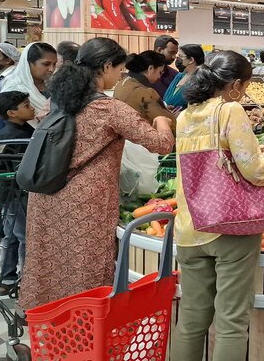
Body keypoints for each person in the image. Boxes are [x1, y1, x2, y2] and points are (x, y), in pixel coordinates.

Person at [20, 38, 174, 311]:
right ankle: (84, 322)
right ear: (106, 66)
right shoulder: (108, 108)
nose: (121, 75)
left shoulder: (57, 100)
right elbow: (161, 144)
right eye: (120, 69)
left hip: (47, 193)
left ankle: (48, 322)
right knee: (85, 265)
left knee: (48, 263)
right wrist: (162, 120)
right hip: (87, 202)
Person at [169, 51, 264, 361]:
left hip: (190, 227)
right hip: (229, 228)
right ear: (235, 85)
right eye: (245, 87)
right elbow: (253, 170)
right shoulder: (230, 110)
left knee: (191, 321)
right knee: (231, 322)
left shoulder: (186, 115)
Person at [0, 91, 34, 296]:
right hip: (14, 193)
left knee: (12, 236)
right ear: (11, 113)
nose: (32, 108)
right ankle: (26, 282)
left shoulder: (25, 129)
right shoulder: (8, 136)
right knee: (24, 235)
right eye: (26, 105)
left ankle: (7, 279)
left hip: (13, 193)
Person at [114, 51, 178, 132]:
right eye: (160, 72)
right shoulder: (146, 93)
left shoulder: (121, 84)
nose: (159, 77)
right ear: (150, 68)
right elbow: (171, 124)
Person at [0, 42, 57, 129]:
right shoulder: (13, 88)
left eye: (54, 64)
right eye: (46, 64)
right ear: (29, 63)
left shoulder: (54, 85)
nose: (52, 69)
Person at [163, 44, 205, 111]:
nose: (177, 59)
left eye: (180, 56)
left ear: (191, 60)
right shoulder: (179, 75)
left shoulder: (200, 80)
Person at [0, 43, 21, 127]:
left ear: (8, 60)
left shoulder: (12, 78)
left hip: (2, 121)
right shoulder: (1, 75)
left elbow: (7, 105)